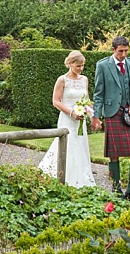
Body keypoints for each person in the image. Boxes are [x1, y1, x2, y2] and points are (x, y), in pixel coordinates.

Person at [90, 36, 130, 205]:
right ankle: (117, 192)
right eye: (120, 51)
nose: (124, 54)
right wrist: (96, 116)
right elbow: (98, 94)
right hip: (113, 113)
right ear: (113, 50)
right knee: (114, 155)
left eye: (126, 51)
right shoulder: (103, 65)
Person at [39, 50, 97, 188]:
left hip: (80, 121)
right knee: (66, 145)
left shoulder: (84, 79)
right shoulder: (62, 80)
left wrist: (92, 116)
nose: (81, 68)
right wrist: (72, 113)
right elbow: (56, 101)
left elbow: (87, 100)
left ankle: (80, 180)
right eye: (78, 66)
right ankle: (60, 177)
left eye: (82, 65)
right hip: (67, 119)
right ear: (70, 63)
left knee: (80, 147)